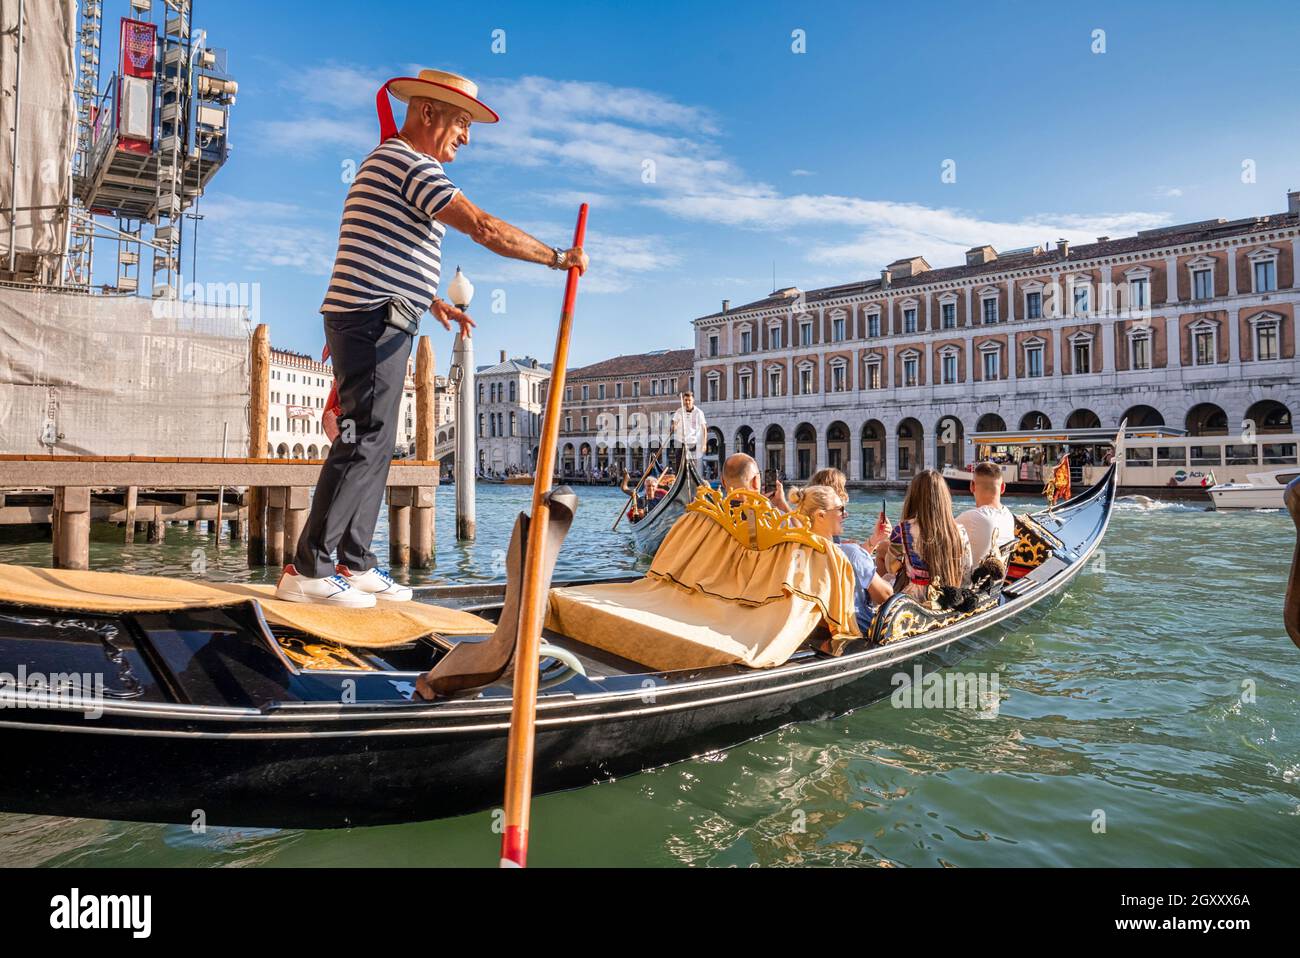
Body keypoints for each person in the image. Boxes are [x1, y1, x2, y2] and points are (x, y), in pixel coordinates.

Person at [277, 68, 588, 606]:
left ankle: (353, 562)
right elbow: (482, 227)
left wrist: (431, 299)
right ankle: (308, 570)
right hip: (373, 316)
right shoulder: (409, 163)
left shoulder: (397, 165)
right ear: (427, 112)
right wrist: (557, 258)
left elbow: (385, 247)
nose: (466, 137)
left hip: (381, 313)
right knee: (363, 436)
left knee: (373, 443)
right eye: (462, 122)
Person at [789, 485, 893, 636]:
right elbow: (886, 596)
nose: (846, 514)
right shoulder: (851, 552)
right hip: (859, 631)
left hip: (814, 630)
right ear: (820, 516)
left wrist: (874, 540)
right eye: (840, 509)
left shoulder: (794, 551)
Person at [876, 469, 972, 603]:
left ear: (913, 496)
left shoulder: (902, 529)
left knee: (886, 577)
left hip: (914, 601)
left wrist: (892, 538)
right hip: (948, 598)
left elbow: (891, 568)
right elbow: (966, 574)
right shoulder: (960, 531)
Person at [955, 460, 1015, 563]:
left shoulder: (971, 518)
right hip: (998, 576)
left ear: (972, 486)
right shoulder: (1009, 516)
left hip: (971, 578)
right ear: (1002, 488)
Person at [668, 391, 707, 471]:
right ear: (683, 400)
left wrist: (704, 444)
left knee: (692, 466)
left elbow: (704, 429)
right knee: (679, 466)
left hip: (692, 442)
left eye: (689, 400)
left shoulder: (699, 412)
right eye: (686, 400)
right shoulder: (679, 411)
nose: (687, 402)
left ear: (693, 400)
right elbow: (673, 426)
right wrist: (674, 426)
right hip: (680, 442)